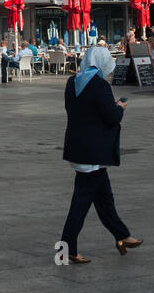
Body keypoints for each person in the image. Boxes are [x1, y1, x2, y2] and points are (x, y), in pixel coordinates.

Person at [59, 42, 141, 264]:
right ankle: (66, 248)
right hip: (93, 151)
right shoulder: (99, 85)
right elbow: (111, 117)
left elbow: (80, 111)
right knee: (81, 202)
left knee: (104, 198)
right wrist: (119, 108)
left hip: (78, 147)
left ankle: (122, 236)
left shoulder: (72, 82)